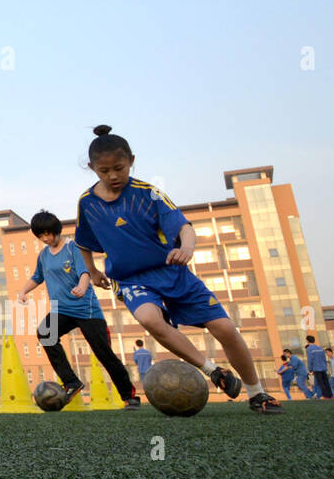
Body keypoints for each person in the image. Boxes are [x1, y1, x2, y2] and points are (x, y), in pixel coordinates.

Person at [75, 126, 283, 414]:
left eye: (118, 168)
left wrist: (187, 248)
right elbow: (83, 241)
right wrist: (93, 271)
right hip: (131, 279)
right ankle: (212, 371)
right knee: (149, 318)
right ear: (92, 168)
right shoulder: (87, 204)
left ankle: (256, 393)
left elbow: (184, 226)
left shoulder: (150, 194)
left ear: (132, 161)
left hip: (172, 271)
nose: (112, 176)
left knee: (224, 328)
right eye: (103, 171)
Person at [17, 211, 140, 409]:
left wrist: (83, 287)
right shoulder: (44, 255)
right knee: (45, 333)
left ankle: (130, 397)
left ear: (57, 230)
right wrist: (23, 291)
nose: (46, 239)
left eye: (49, 234)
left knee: (104, 353)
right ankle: (72, 382)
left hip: (86, 309)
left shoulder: (73, 247)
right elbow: (37, 276)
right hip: (62, 310)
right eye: (41, 236)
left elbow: (85, 272)